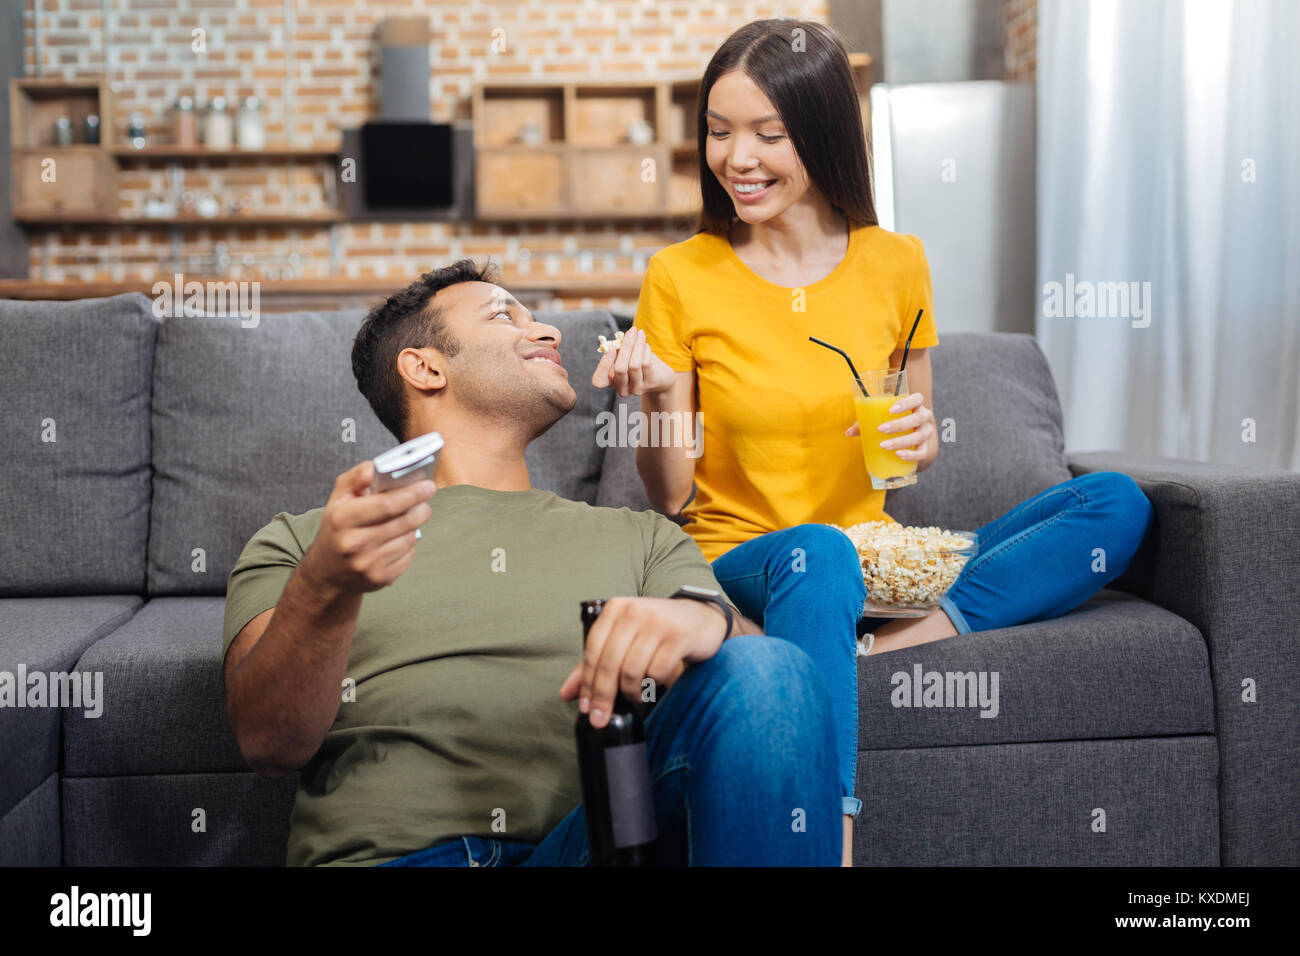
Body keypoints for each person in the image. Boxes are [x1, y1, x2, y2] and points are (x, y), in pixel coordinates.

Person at [595, 18, 1156, 867]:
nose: (736, 158)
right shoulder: (683, 276)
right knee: (818, 556)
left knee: (1116, 503)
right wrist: (661, 393)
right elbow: (670, 496)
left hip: (873, 556)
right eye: (717, 132)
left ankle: (881, 643)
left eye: (766, 134)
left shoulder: (898, 263)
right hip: (748, 557)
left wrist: (923, 437)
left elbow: (908, 440)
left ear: (821, 134)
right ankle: (833, 840)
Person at [221, 259, 843, 866]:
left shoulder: (643, 538)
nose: (548, 332)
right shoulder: (308, 542)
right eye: (503, 316)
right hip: (397, 858)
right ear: (425, 367)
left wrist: (713, 626)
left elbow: (769, 711)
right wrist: (327, 584)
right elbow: (270, 741)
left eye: (537, 319)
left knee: (770, 670)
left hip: (591, 845)